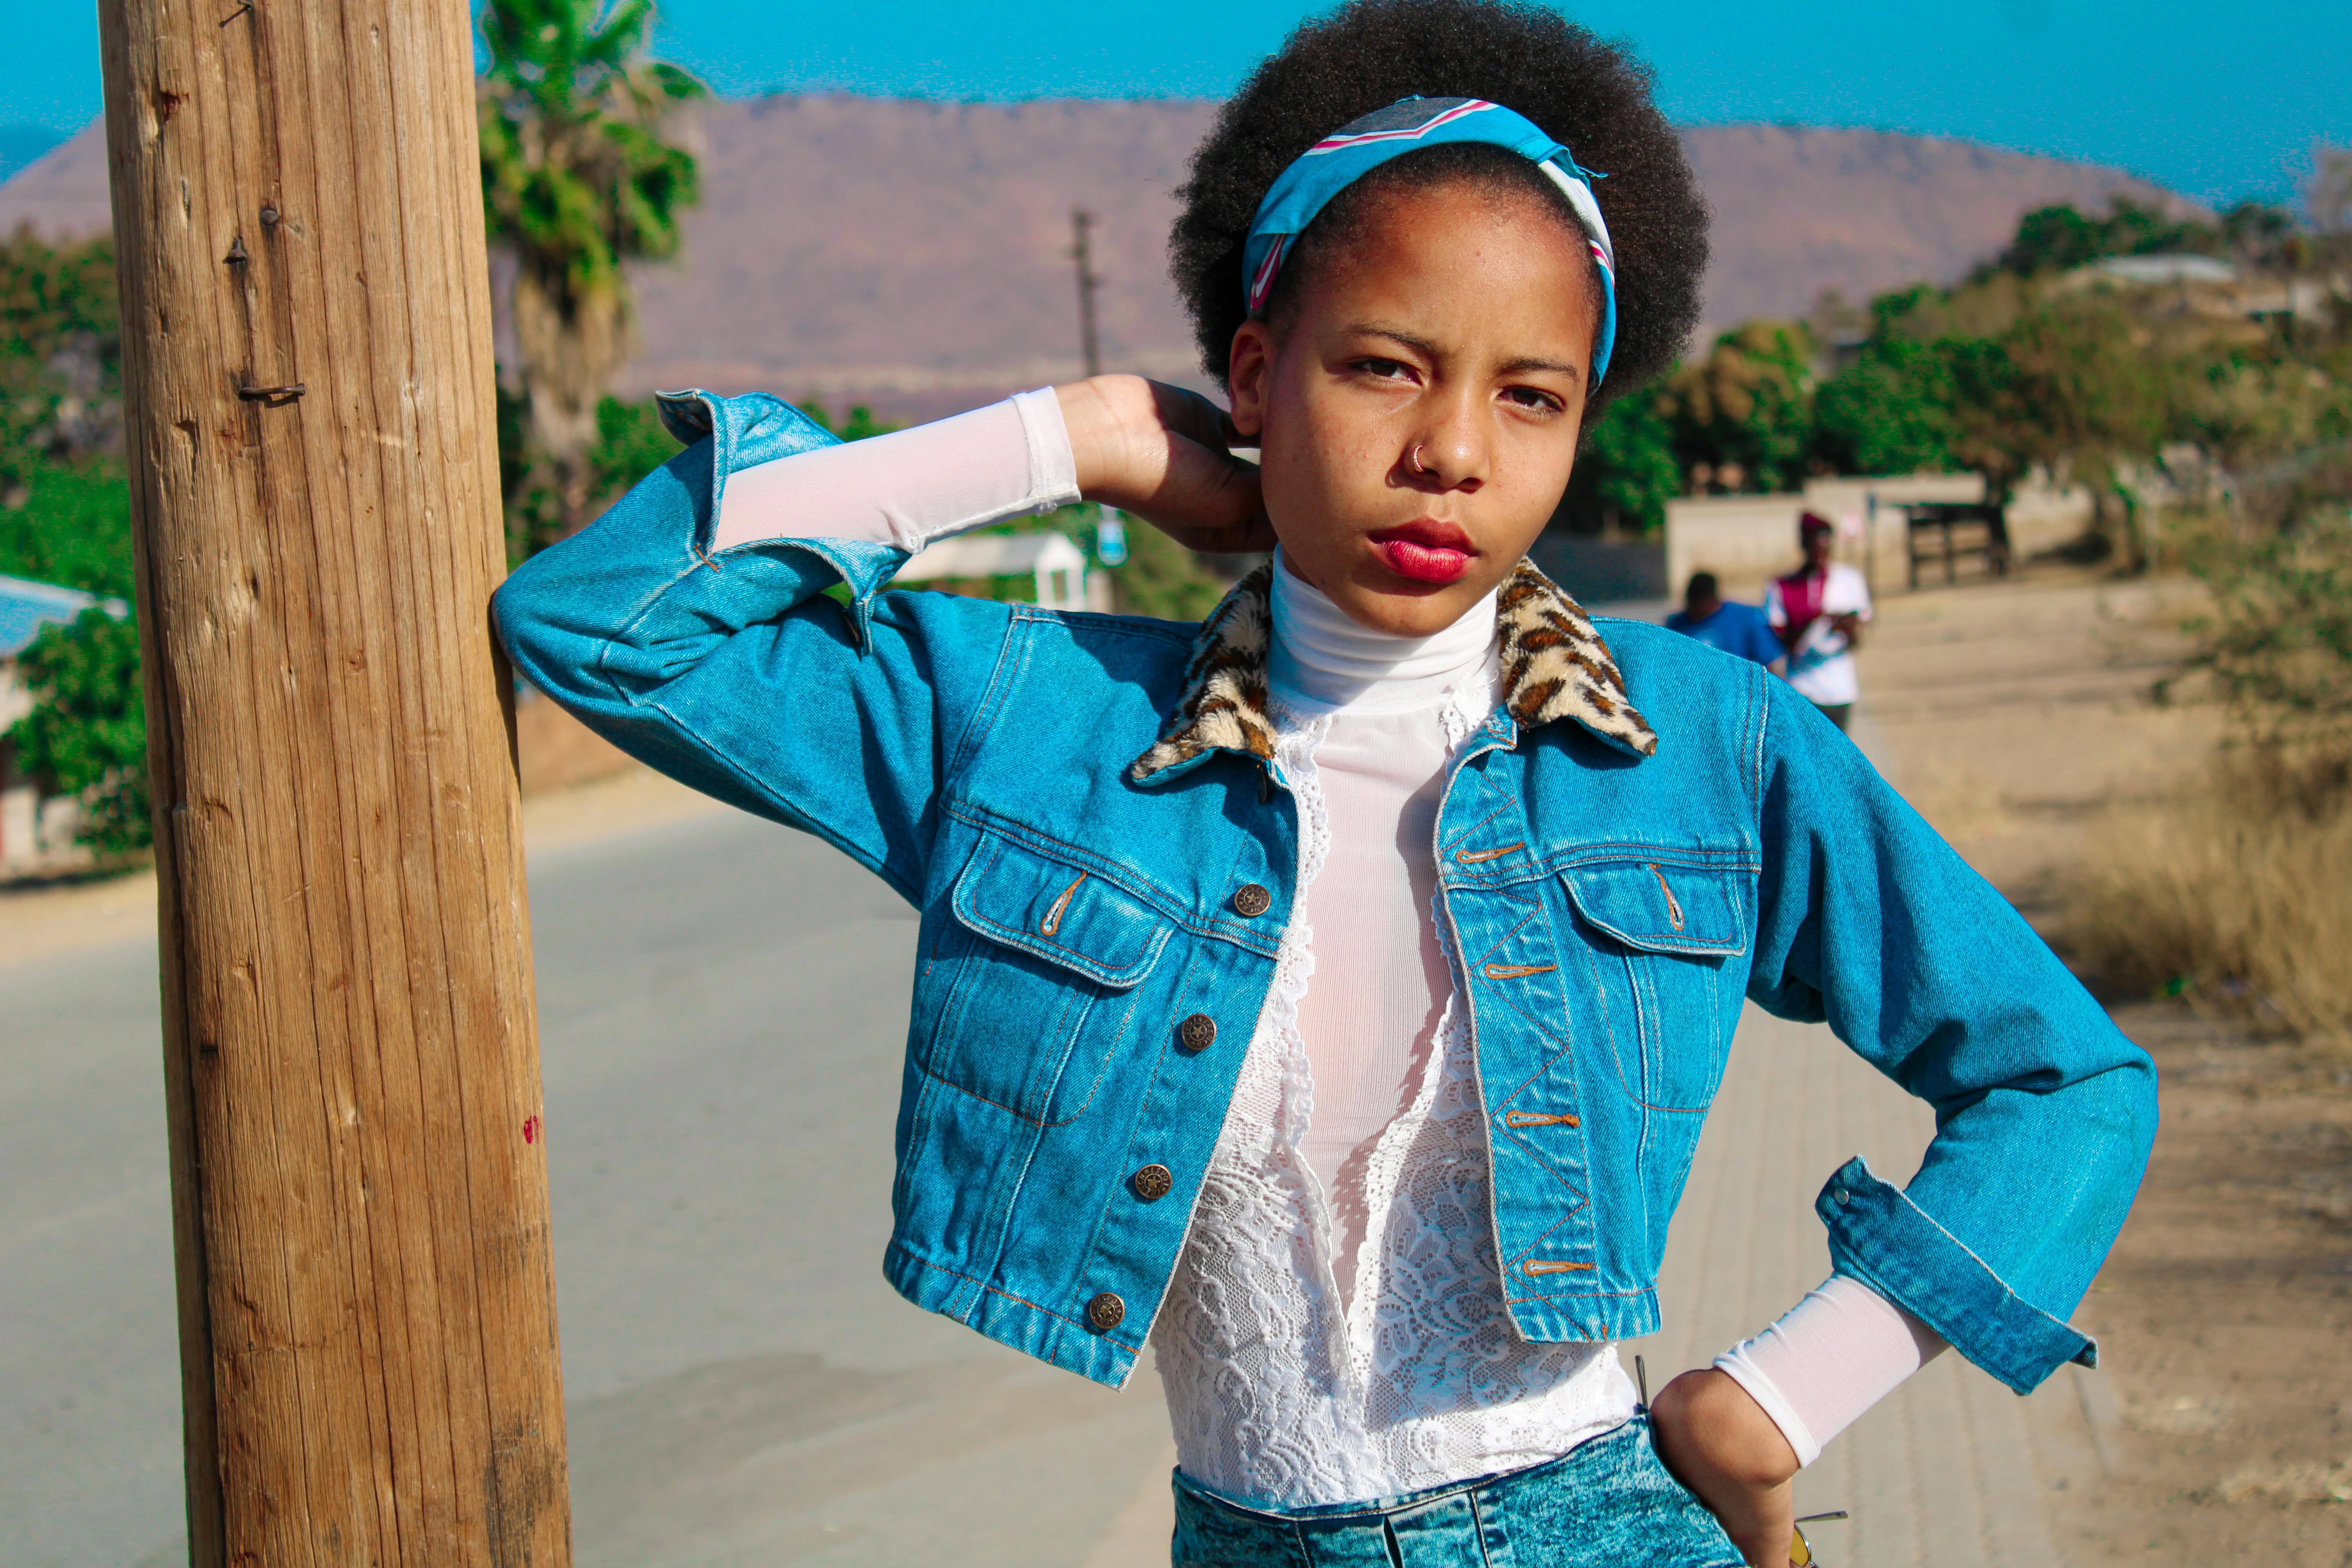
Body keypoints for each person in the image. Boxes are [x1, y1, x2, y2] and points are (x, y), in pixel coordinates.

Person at [493, 4, 2154, 1564]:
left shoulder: (1706, 741)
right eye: (1382, 365)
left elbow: (2061, 1079)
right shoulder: (1034, 718)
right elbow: (602, 623)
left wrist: (1782, 1392)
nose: (1452, 449)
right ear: (1253, 371)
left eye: (1530, 395)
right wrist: (1072, 438)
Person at [1764, 514, 1873, 731]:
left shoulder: (1849, 580)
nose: (1822, 553)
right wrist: (1814, 621)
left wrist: (1846, 627)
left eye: (1827, 546)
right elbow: (1777, 643)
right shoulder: (1783, 586)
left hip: (1839, 689)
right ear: (1804, 545)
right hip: (1802, 688)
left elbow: (1858, 638)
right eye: (1816, 546)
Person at [1666, 571, 1782, 668]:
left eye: (1701, 604)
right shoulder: (1677, 625)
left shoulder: (1744, 618)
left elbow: (1770, 660)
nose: (1697, 611)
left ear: (1713, 600)